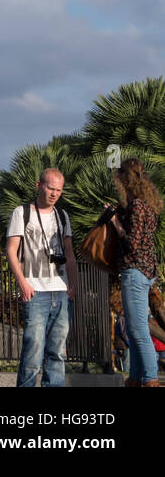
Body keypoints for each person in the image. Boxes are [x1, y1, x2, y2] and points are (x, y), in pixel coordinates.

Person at [6, 168, 78, 387]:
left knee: (57, 351)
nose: (54, 193)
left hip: (61, 288)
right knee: (33, 350)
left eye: (58, 190)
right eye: (50, 188)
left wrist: (73, 285)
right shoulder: (22, 212)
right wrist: (22, 283)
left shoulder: (62, 215)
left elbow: (69, 252)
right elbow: (11, 250)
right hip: (35, 289)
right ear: (39, 186)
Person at [106, 157, 162, 387]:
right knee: (134, 327)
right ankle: (137, 377)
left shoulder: (137, 206)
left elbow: (132, 242)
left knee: (138, 330)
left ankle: (149, 379)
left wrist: (114, 222)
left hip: (135, 270)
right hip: (145, 271)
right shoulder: (148, 205)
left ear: (124, 180)